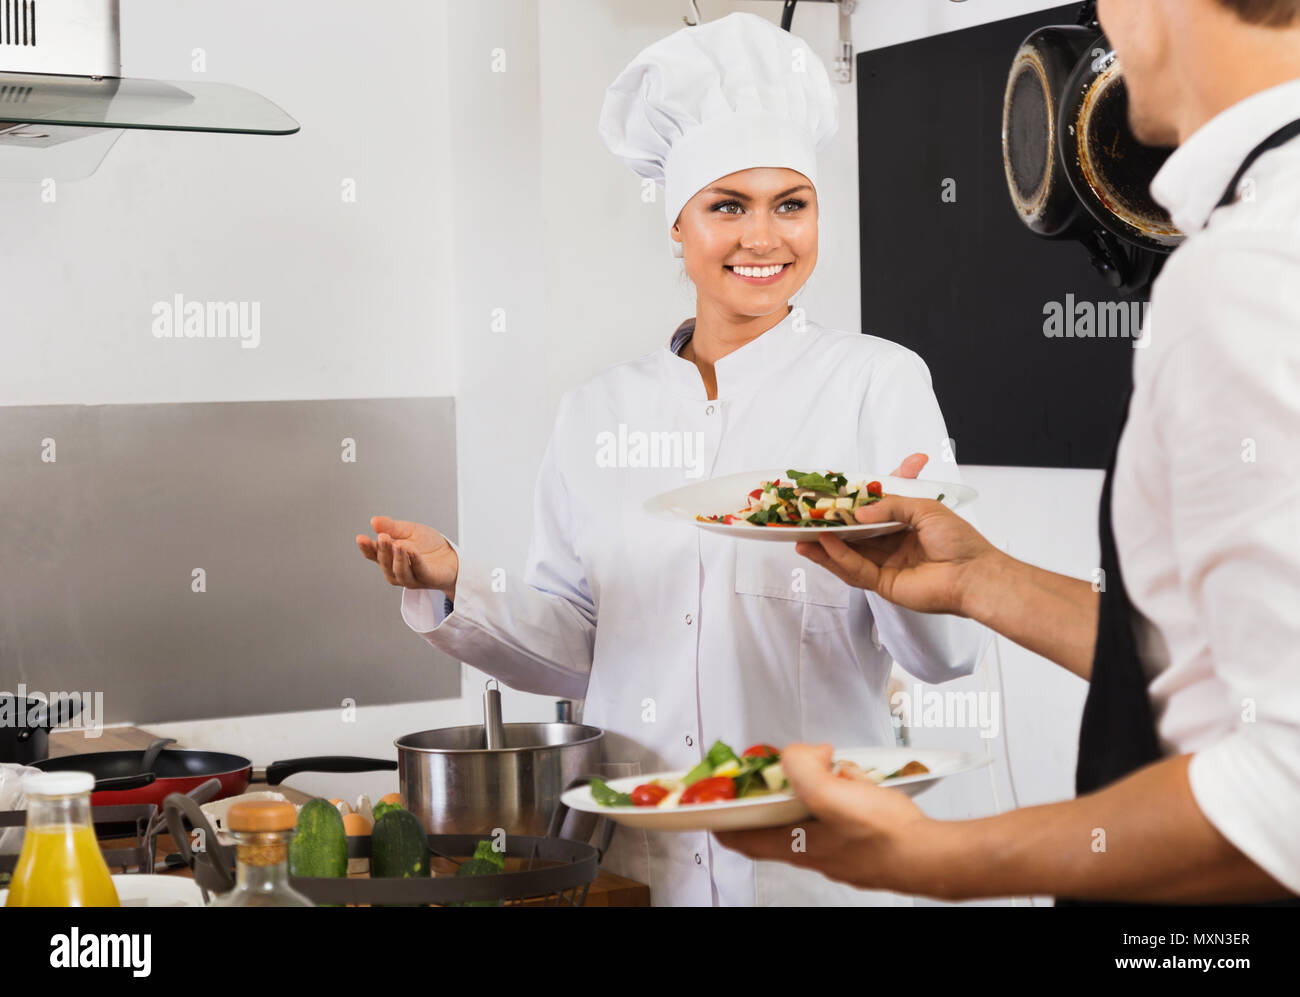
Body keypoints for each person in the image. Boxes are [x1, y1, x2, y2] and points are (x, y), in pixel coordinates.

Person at [356, 12, 987, 906]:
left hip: (814, 870)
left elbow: (944, 656)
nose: (762, 238)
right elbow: (578, 650)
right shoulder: (598, 412)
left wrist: (904, 567)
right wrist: (456, 581)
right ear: (678, 225)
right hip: (640, 866)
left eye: (790, 204)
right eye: (728, 205)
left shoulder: (875, 383)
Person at [717, 0, 1300, 905]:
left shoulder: (1252, 271)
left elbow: (1284, 795)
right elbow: (1234, 673)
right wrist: (982, 579)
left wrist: (934, 858)